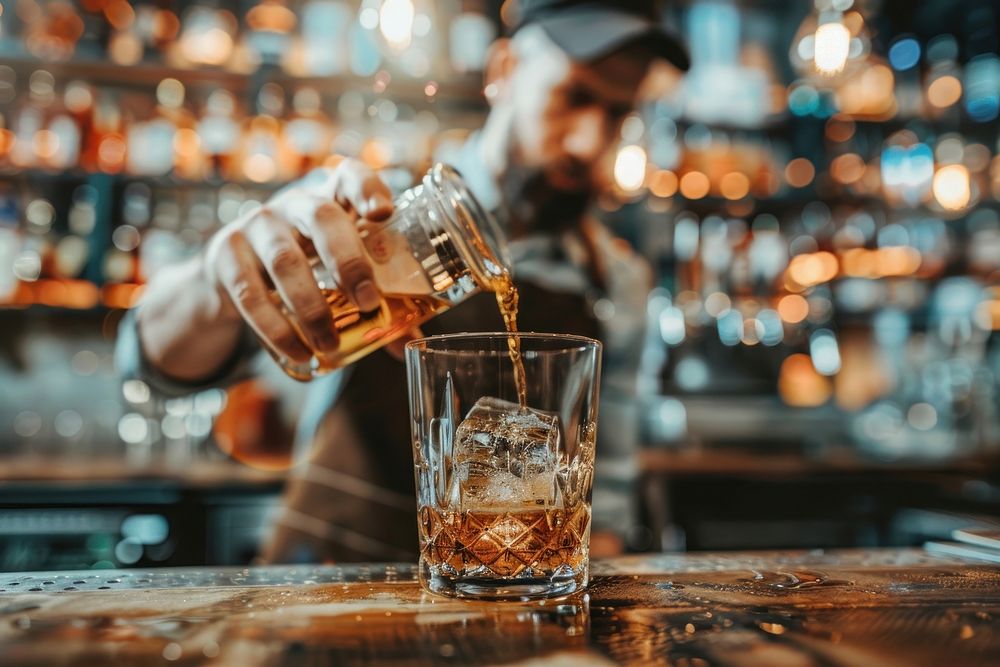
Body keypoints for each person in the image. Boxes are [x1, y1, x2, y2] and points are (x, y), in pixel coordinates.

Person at [117, 0, 689, 562]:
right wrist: (218, 283)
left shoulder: (617, 279)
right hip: (321, 604)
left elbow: (603, 505)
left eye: (617, 112)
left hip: (507, 622)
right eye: (574, 96)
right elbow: (150, 363)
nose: (591, 142)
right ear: (504, 72)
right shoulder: (372, 215)